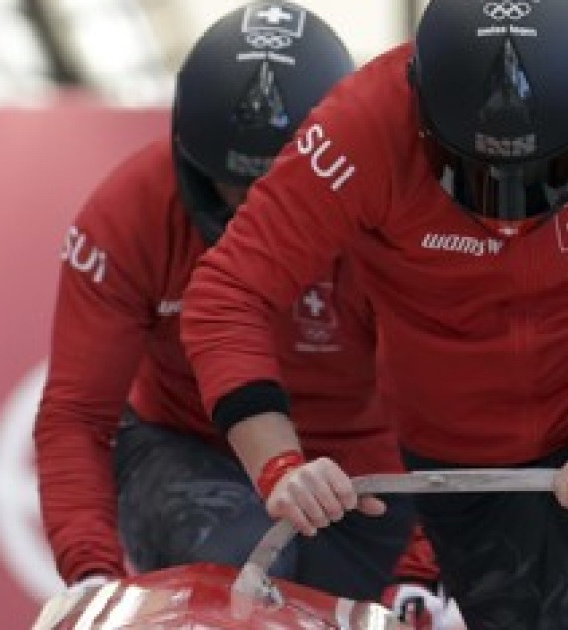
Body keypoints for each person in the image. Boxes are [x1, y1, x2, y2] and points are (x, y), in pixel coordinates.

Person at [180, 1, 568, 629]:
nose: (509, 215)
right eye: (477, 175)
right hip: (460, 437)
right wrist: (279, 463)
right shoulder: (362, 124)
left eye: (546, 171)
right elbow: (228, 293)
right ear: (422, 110)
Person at [31, 0, 442, 623]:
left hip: (366, 479)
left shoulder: (402, 217)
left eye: (286, 186)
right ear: (193, 164)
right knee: (236, 571)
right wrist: (92, 578)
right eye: (238, 188)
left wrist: (422, 572)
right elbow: (78, 415)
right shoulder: (129, 214)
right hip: (194, 451)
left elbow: (462, 402)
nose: (263, 214)